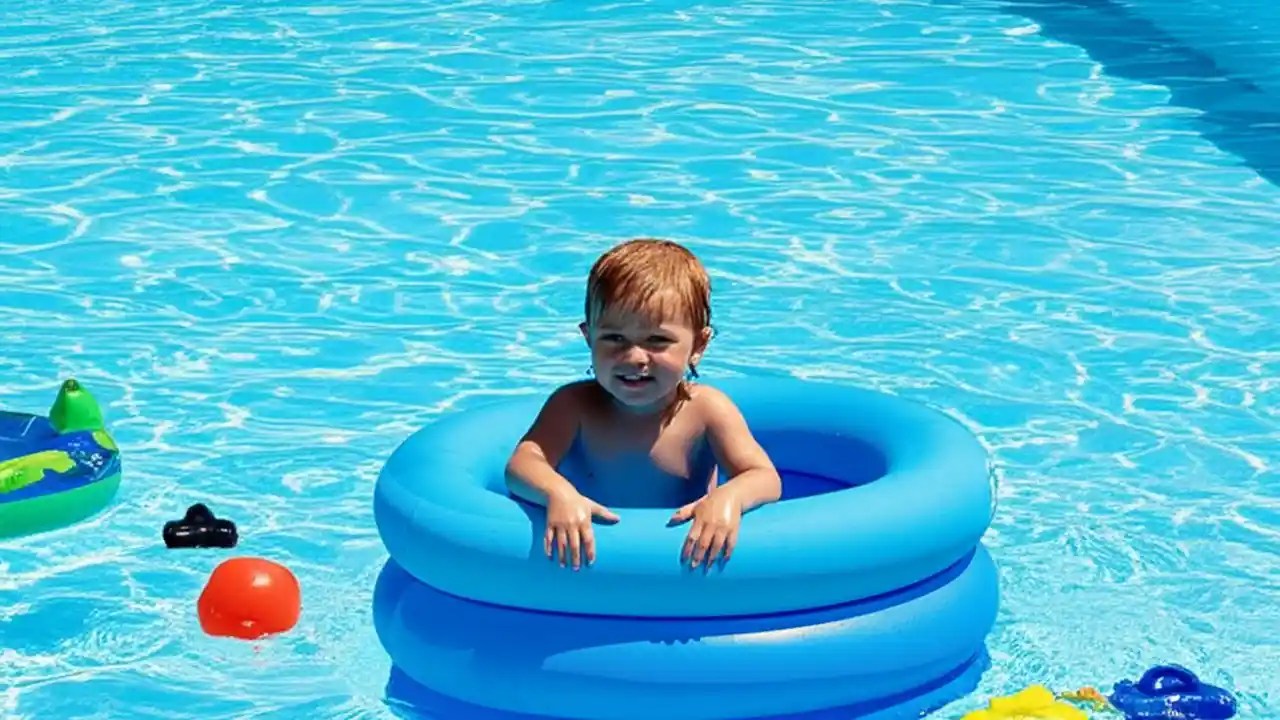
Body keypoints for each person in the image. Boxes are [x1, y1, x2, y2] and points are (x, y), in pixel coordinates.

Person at [505, 238, 782, 571]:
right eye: (614, 338)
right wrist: (557, 493)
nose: (634, 357)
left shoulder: (707, 411)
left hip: (675, 571)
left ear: (699, 344)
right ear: (588, 337)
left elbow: (764, 477)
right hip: (590, 568)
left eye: (657, 340)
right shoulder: (573, 406)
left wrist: (729, 498)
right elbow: (523, 463)